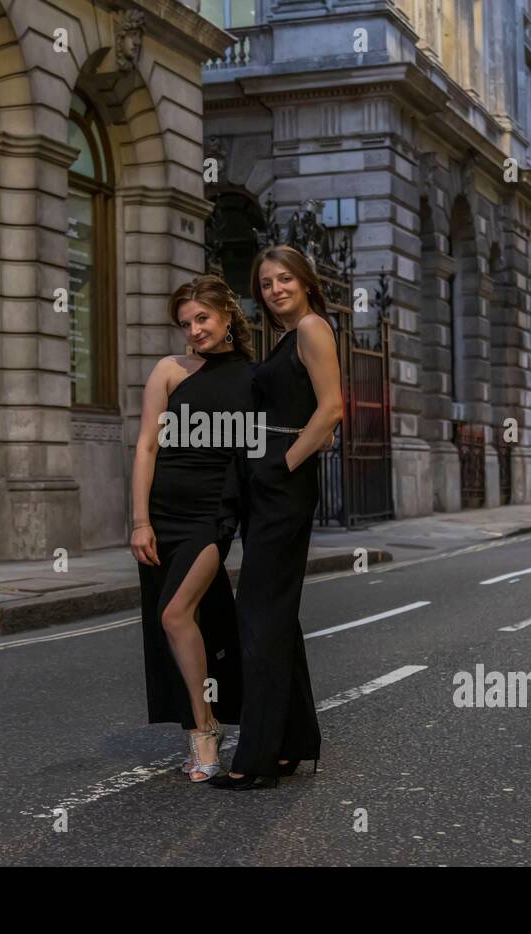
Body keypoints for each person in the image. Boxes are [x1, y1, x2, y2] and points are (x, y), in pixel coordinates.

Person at [210, 245, 343, 791]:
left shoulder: (312, 329)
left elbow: (331, 410)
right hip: (270, 481)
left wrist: (279, 467)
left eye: (284, 278)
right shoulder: (287, 337)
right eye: (265, 283)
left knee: (258, 616)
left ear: (306, 282)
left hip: (283, 482)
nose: (274, 290)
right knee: (276, 616)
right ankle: (292, 744)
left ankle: (256, 759)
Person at [131, 275, 255, 782]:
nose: (195, 329)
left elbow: (259, 447)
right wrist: (140, 520)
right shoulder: (169, 371)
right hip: (163, 514)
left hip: (212, 514)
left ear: (226, 314)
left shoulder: (253, 376)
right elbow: (146, 447)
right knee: (187, 622)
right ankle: (202, 725)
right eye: (186, 322)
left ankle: (205, 731)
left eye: (203, 318)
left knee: (176, 614)